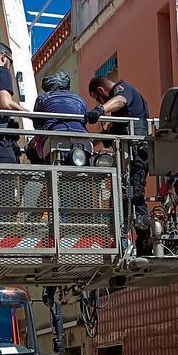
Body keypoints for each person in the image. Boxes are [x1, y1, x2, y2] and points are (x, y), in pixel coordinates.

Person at [86, 76, 151, 254]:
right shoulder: (120, 112)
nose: (100, 102)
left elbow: (120, 100)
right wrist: (88, 141)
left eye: (97, 98)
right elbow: (109, 134)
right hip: (128, 154)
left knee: (134, 194)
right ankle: (133, 240)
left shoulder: (121, 89)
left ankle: (144, 241)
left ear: (101, 91)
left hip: (136, 152)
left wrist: (99, 110)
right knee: (126, 196)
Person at [28, 71, 88, 163]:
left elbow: (37, 124)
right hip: (83, 139)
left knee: (32, 148)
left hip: (55, 141)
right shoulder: (80, 100)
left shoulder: (43, 98)